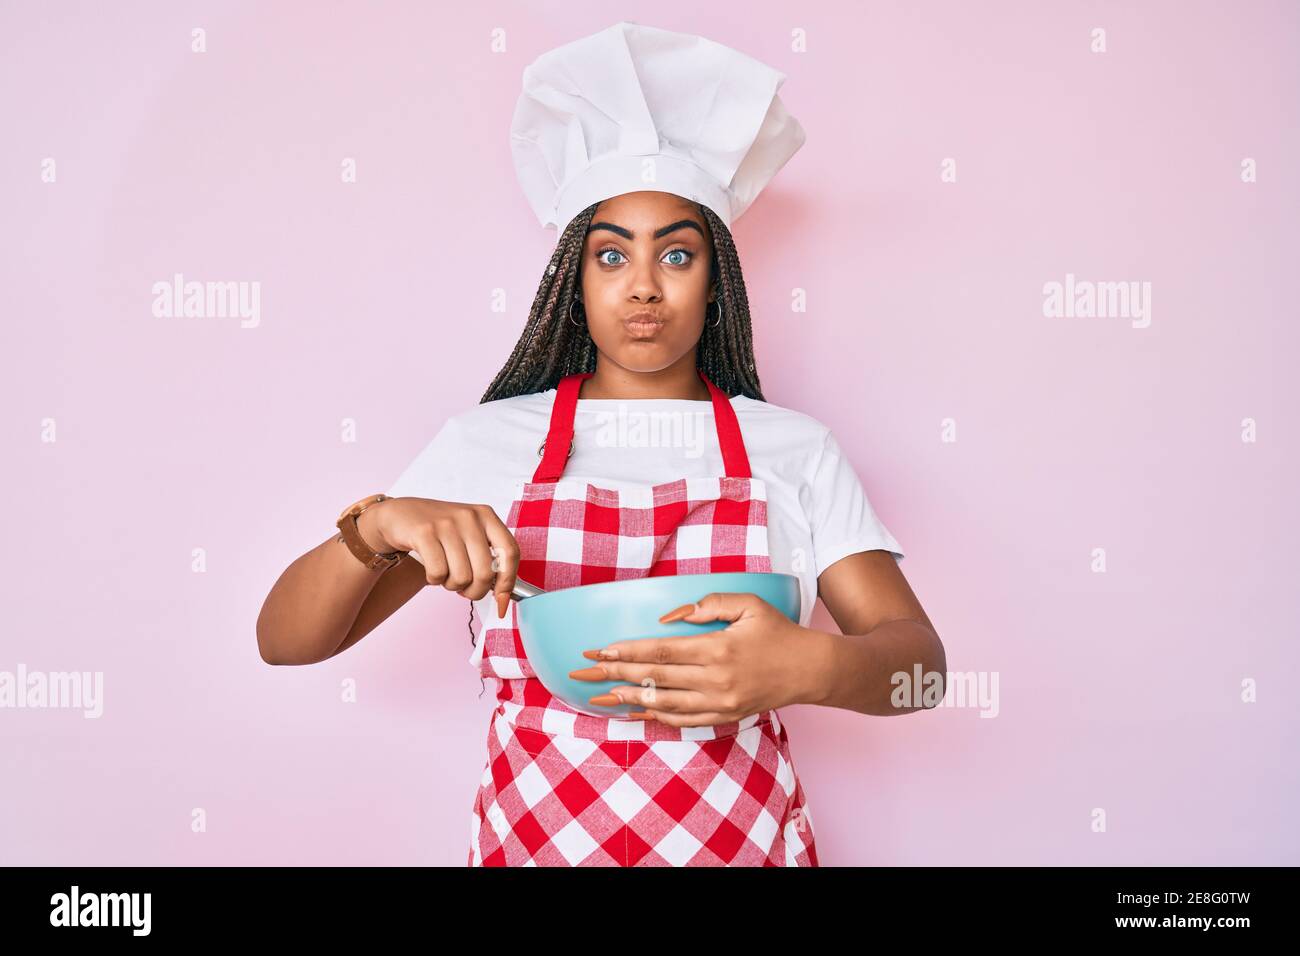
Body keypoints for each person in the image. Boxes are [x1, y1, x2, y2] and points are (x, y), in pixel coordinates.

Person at [256, 20, 945, 867]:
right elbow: (286, 643)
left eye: (678, 255)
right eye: (611, 256)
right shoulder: (488, 444)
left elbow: (923, 672)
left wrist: (809, 669)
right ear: (573, 285)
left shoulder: (793, 450)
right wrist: (379, 525)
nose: (645, 286)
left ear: (717, 280)